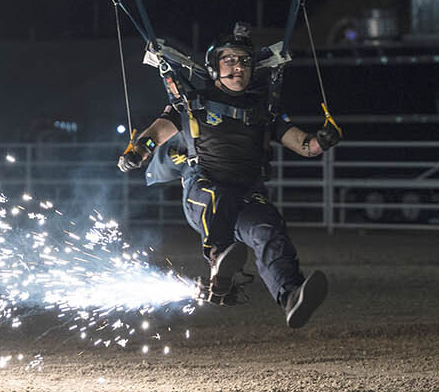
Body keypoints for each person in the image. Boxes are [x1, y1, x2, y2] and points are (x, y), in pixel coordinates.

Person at [119, 24, 340, 329]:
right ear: (214, 66)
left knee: (268, 227)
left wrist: (323, 140)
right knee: (217, 196)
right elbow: (155, 135)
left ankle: (290, 295)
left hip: (247, 195)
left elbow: (305, 145)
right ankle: (218, 260)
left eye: (245, 61)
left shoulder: (264, 109)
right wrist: (134, 155)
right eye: (230, 60)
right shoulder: (192, 103)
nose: (239, 67)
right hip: (203, 191)